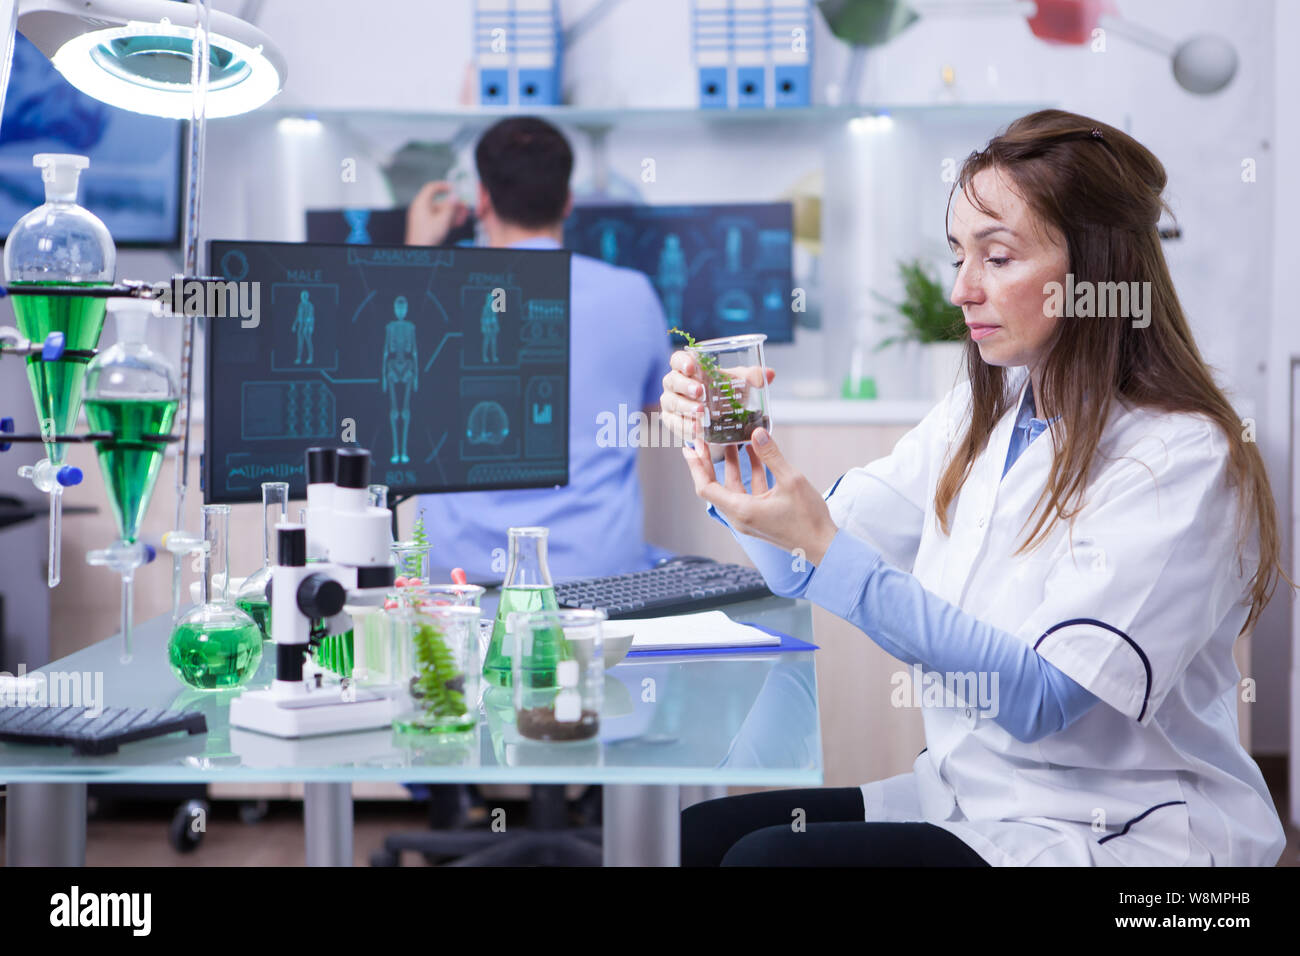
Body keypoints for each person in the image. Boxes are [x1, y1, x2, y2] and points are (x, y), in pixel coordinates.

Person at [662, 109, 1294, 866]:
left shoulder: (1182, 457)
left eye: (997, 258)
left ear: (1097, 274)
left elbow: (1040, 702)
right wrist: (730, 454)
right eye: (958, 255)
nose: (962, 289)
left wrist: (821, 543)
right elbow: (803, 561)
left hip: (1123, 835)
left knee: (765, 862)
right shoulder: (985, 412)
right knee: (697, 837)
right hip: (977, 799)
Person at [407, 116, 672, 580]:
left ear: (483, 199)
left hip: (457, 587)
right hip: (597, 580)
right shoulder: (633, 294)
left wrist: (417, 250)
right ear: (568, 202)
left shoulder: (430, 290)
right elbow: (656, 408)